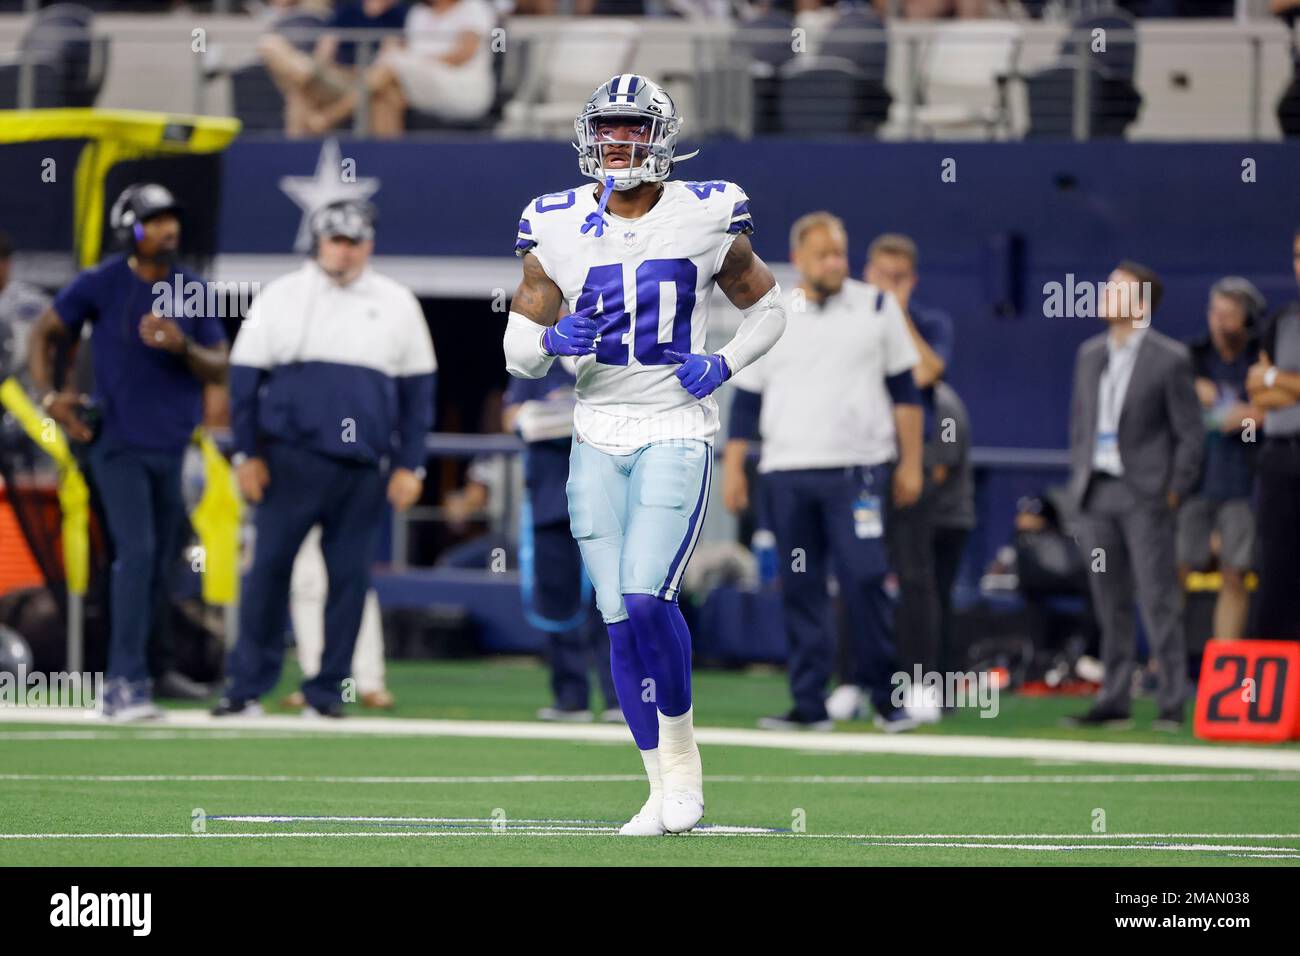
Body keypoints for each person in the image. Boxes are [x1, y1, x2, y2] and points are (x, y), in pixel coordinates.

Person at [502, 74, 785, 835]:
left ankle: (686, 761)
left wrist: (724, 363)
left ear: (659, 136)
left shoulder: (708, 211)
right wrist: (551, 341)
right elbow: (518, 347)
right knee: (616, 619)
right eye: (606, 129)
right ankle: (656, 785)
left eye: (630, 129)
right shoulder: (552, 221)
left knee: (646, 597)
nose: (615, 144)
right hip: (594, 431)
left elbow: (770, 305)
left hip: (673, 426)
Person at [216, 199, 436, 717]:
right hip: (288, 461)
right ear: (317, 242)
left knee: (349, 579)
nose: (345, 251)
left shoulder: (397, 301)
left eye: (354, 241)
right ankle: (246, 687)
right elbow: (244, 384)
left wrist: (411, 464)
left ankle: (329, 690)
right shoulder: (281, 296)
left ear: (369, 244)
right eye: (336, 240)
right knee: (268, 572)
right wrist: (246, 454)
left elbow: (419, 395)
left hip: (361, 467)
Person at [27, 184, 229, 720]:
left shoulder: (191, 290)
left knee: (162, 562)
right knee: (135, 554)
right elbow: (44, 332)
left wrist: (180, 345)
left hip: (174, 448)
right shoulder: (102, 282)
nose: (169, 230)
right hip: (115, 442)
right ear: (131, 229)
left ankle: (152, 668)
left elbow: (221, 365)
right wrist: (50, 397)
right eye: (155, 221)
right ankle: (120, 684)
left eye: (172, 220)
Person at [722, 211, 924, 734]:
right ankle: (808, 703)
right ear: (799, 260)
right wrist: (735, 470)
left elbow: (906, 394)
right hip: (788, 472)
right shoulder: (772, 313)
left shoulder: (877, 306)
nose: (836, 263)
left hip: (857, 472)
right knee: (800, 586)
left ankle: (885, 698)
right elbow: (746, 400)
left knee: (866, 580)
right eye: (824, 255)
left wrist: (912, 463)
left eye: (840, 252)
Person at [1064, 261, 1204, 731]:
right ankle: (1114, 698)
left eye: (1117, 289)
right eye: (1106, 286)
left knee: (1157, 596)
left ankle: (1170, 702)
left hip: (1145, 494)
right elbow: (1082, 422)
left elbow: (1190, 433)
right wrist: (1078, 478)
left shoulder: (1170, 358)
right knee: (1109, 599)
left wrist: (1174, 490)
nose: (1104, 294)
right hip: (1097, 491)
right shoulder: (1089, 354)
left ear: (1141, 304)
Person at [862, 232, 955, 685]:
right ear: (866, 273)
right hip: (860, 463)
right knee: (860, 574)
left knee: (916, 577)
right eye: (881, 275)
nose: (888, 284)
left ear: (911, 281)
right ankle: (855, 681)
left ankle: (919, 682)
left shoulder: (932, 323)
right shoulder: (850, 321)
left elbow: (926, 371)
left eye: (898, 278)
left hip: (910, 463)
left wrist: (897, 315)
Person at [504, 360, 619, 722]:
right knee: (558, 597)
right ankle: (571, 697)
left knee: (614, 599)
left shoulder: (615, 352)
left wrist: (548, 418)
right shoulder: (537, 358)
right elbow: (513, 420)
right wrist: (575, 418)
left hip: (607, 495)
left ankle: (622, 698)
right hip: (550, 498)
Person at [1179, 277, 1264, 641]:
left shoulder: (1261, 358)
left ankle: (1225, 659)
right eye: (1215, 313)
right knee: (1177, 566)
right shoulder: (1191, 357)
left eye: (1230, 315)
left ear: (1246, 319)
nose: (1220, 322)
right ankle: (1163, 662)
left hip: (1242, 484)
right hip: (1195, 481)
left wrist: (1244, 414)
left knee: (1235, 571)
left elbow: (1266, 414)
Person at [304, 0, 496, 136]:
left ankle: (330, 116)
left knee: (392, 63)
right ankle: (390, 166)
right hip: (420, 86)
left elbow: (462, 55)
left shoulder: (474, 7)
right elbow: (407, 52)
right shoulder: (418, 13)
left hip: (462, 90)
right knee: (385, 96)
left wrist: (413, 59)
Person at [1246, 229, 1300, 639]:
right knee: (1276, 564)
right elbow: (1255, 390)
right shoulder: (1283, 320)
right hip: (1281, 458)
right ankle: (1271, 674)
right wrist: (1278, 382)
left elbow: (1268, 382)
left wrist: (1274, 378)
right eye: (1297, 255)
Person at [258, 0, 410, 137]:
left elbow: (391, 58)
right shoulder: (347, 8)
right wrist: (315, 76)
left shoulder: (400, 14)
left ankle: (327, 118)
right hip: (339, 77)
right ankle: (297, 156)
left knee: (385, 95)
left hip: (373, 84)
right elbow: (325, 50)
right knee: (299, 92)